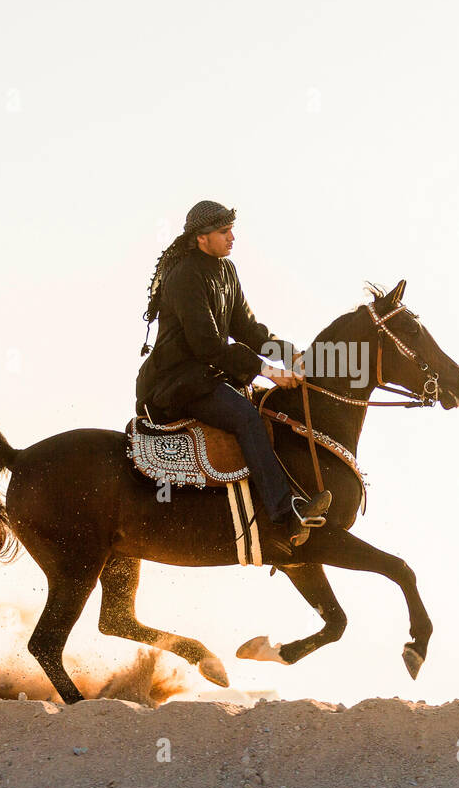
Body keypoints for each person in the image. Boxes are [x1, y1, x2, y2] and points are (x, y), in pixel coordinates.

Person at [135, 200, 332, 549]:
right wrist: (266, 371)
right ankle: (284, 516)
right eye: (224, 232)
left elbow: (248, 329)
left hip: (207, 375)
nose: (232, 237)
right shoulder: (184, 277)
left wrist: (292, 355)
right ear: (201, 239)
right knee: (247, 419)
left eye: (231, 230)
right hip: (175, 383)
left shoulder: (227, 271)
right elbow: (208, 344)